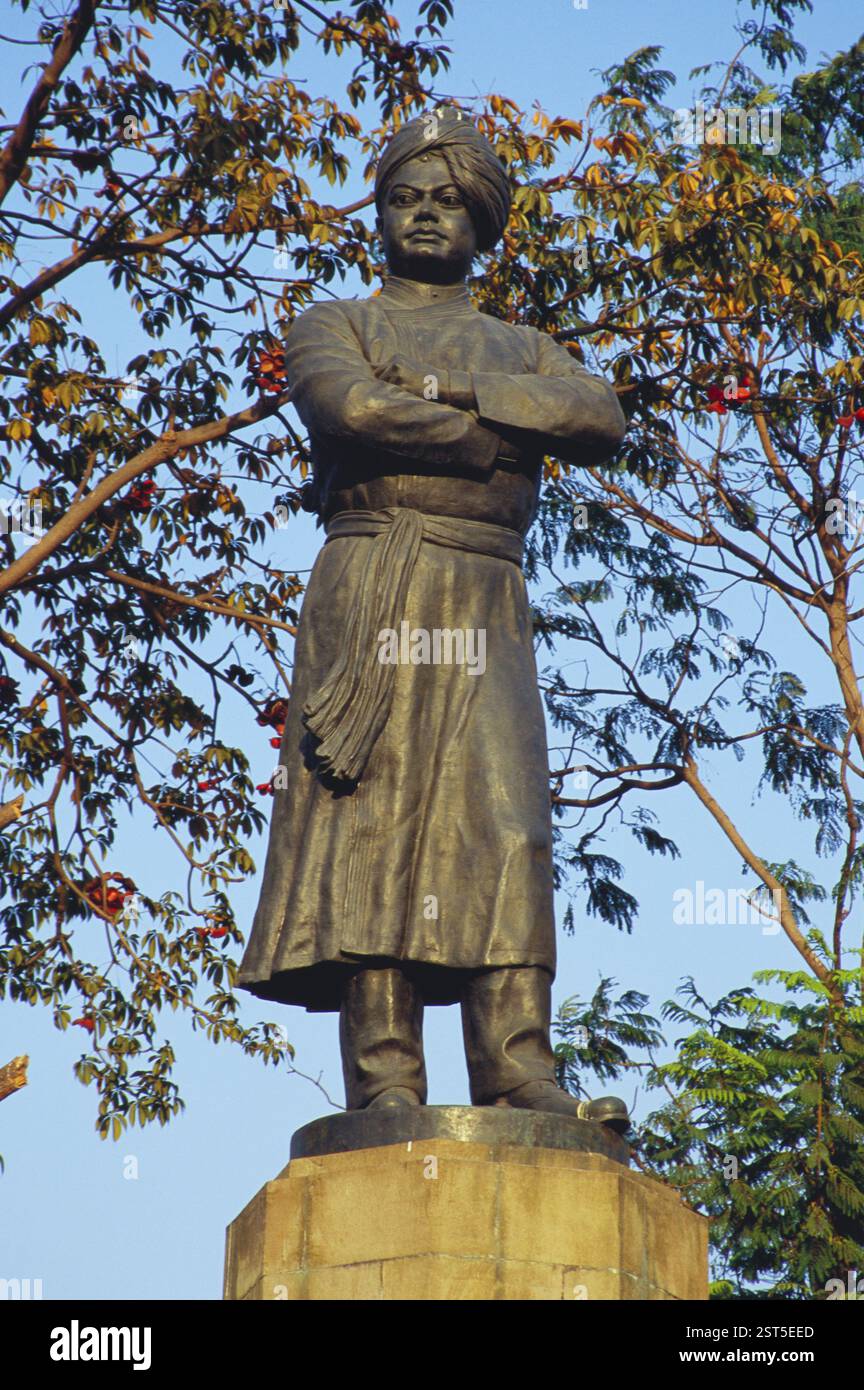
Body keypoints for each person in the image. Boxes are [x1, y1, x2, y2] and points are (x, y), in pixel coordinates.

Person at [238, 109, 628, 1129]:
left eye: (446, 198)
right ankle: (386, 1078)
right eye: (404, 196)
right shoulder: (335, 322)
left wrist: (448, 386)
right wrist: (484, 437)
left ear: (481, 220)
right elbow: (349, 409)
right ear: (377, 212)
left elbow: (598, 416)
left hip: (486, 589)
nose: (423, 214)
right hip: (373, 578)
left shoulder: (523, 342)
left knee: (503, 821)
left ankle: (517, 1067)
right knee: (373, 821)